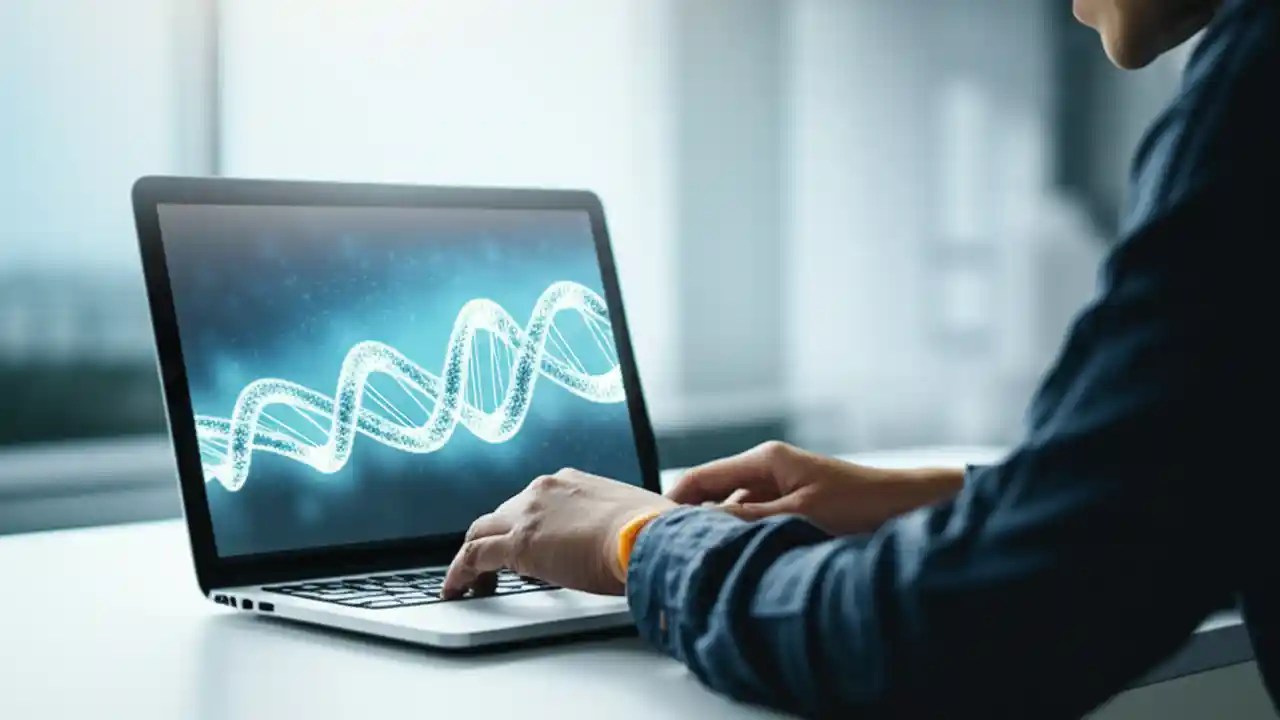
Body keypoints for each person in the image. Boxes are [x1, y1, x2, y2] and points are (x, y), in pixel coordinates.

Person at [443, 0, 1280, 715]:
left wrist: (642, 543)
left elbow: (965, 632)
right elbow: (1203, 482)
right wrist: (944, 502)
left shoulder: (1254, 93)